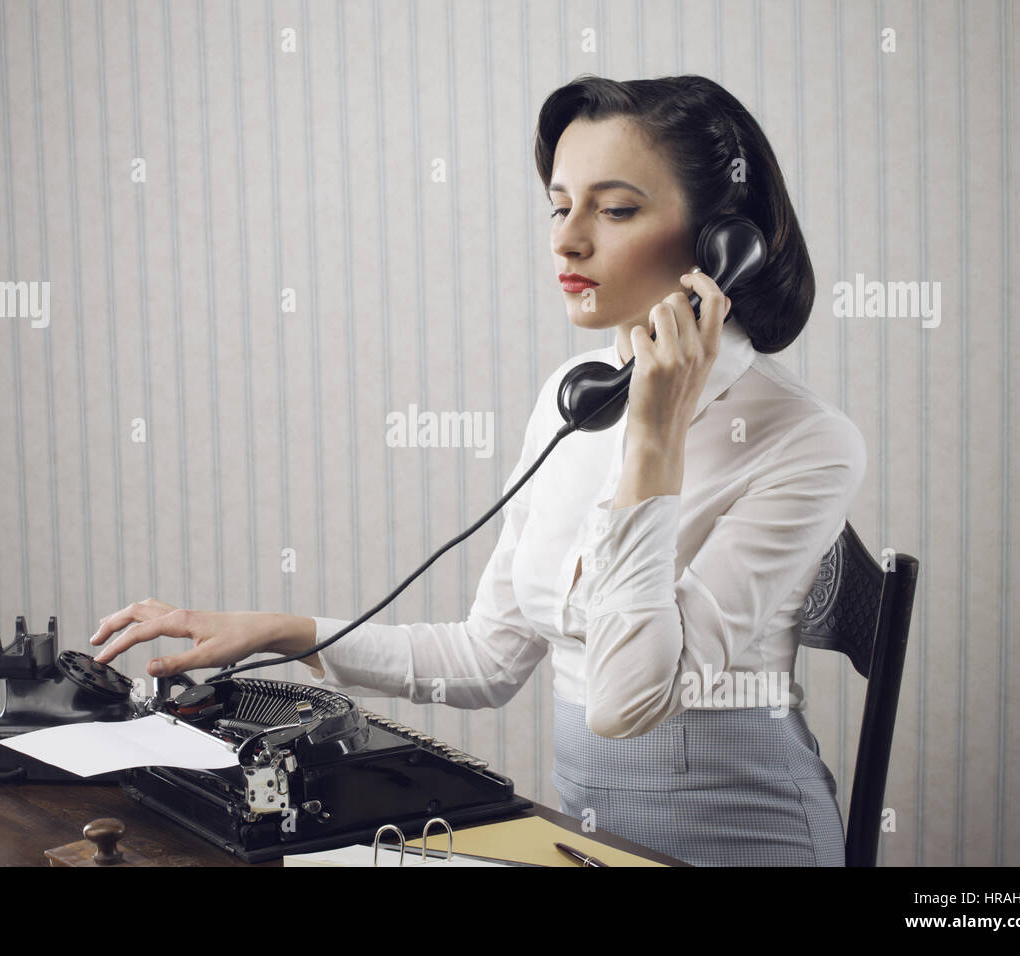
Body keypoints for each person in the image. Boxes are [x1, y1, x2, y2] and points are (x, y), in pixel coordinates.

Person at [90, 74, 865, 867]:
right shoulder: (572, 402)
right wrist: (289, 633)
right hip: (592, 846)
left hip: (742, 847)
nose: (567, 239)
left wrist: (654, 440)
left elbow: (626, 701)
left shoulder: (808, 441)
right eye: (560, 205)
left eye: (616, 208)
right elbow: (487, 662)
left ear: (719, 244)